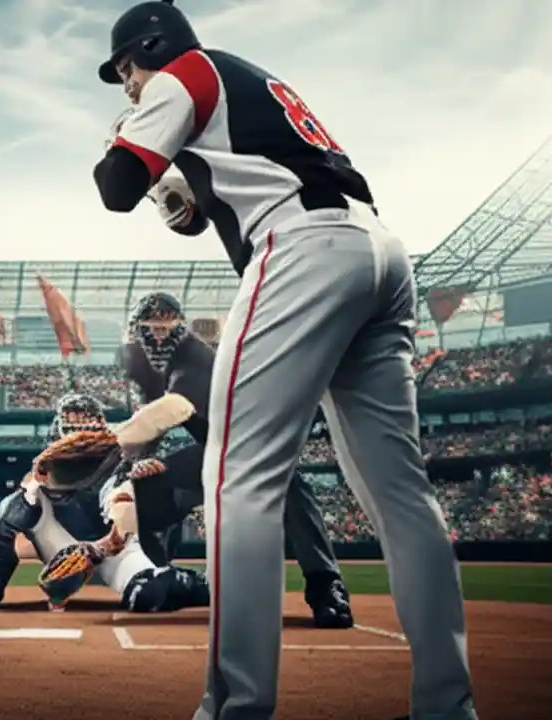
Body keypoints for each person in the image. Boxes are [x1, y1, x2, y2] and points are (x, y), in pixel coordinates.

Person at [92, 2, 476, 719]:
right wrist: (185, 196)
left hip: (303, 251)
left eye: (124, 72)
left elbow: (116, 186)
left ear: (148, 49)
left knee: (236, 479)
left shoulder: (180, 73)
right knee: (402, 498)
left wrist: (127, 143)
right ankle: (448, 707)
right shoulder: (244, 80)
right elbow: (212, 200)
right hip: (378, 252)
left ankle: (235, 708)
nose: (128, 87)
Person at [116, 290, 353, 628]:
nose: (156, 335)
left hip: (253, 443)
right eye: (150, 328)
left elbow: (172, 409)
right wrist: (133, 466)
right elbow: (152, 428)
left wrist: (115, 445)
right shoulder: (146, 367)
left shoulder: (195, 356)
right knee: (145, 487)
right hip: (216, 452)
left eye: (164, 328)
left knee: (288, 484)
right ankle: (156, 574)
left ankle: (325, 584)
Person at [0, 392, 210, 613]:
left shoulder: (119, 460)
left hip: (113, 547)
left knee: (148, 594)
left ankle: (201, 586)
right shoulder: (48, 467)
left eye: (86, 424)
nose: (80, 433)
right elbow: (22, 515)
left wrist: (102, 546)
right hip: (61, 541)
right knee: (15, 504)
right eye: (73, 426)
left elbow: (120, 507)